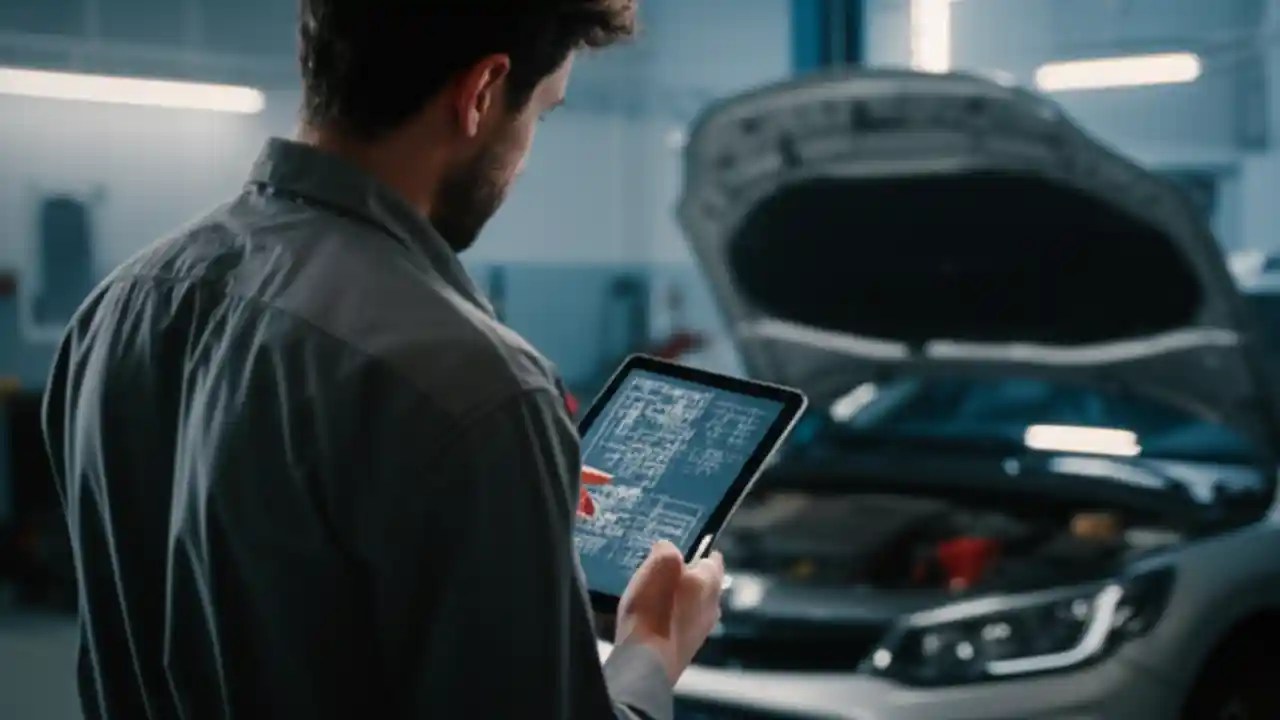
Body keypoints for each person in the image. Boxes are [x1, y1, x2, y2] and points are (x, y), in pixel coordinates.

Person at [40, 1, 725, 718]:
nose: (526, 151)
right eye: (541, 114)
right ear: (483, 93)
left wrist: (476, 482)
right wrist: (650, 651)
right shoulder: (475, 386)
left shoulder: (121, 305)